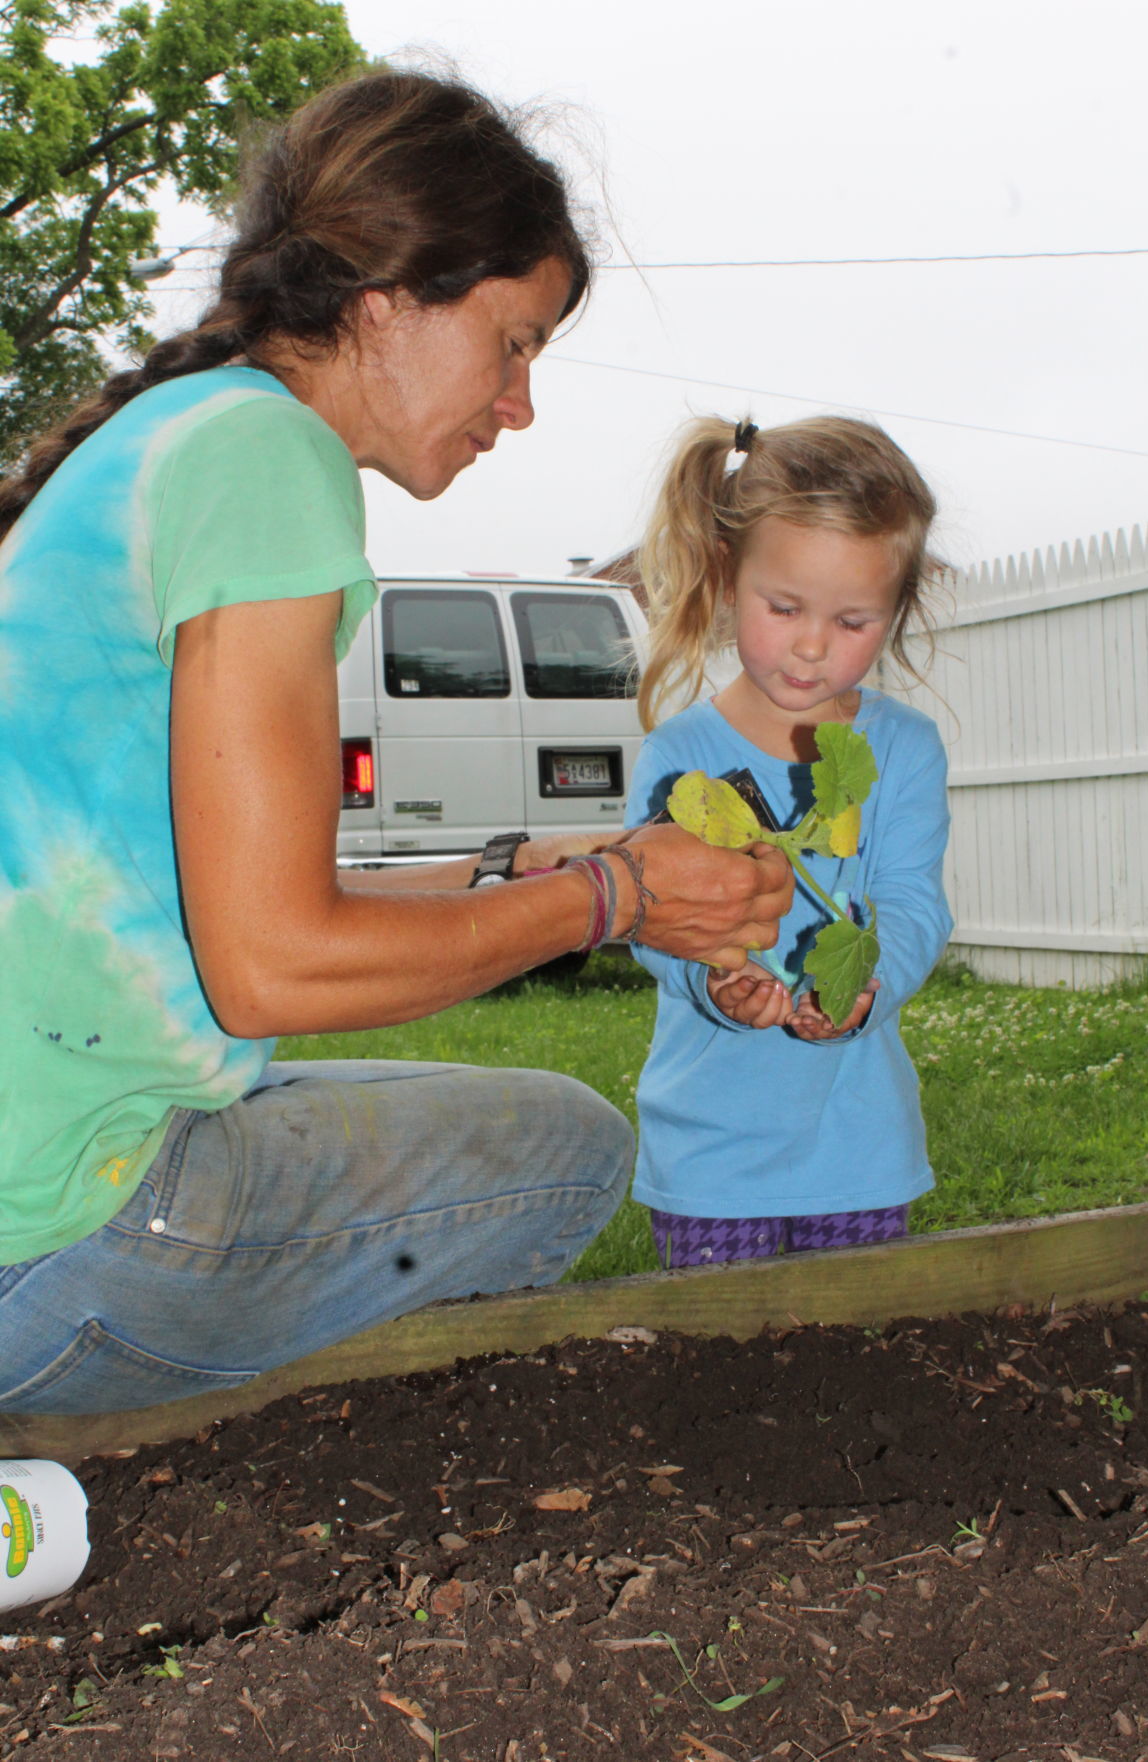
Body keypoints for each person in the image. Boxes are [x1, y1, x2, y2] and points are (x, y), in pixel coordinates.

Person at [0, 71, 794, 1415]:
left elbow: (231, 923)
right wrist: (614, 895)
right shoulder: (268, 461)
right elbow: (273, 965)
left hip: (34, 1182)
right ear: (384, 305)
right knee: (570, 1148)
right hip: (52, 1238)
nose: (520, 402)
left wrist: (556, 865)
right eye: (515, 341)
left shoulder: (178, 438)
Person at [625, 414, 954, 1269]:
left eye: (852, 621)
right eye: (785, 608)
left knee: (854, 1370)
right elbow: (652, 922)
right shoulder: (680, 758)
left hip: (859, 1148)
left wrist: (866, 988)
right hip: (710, 1152)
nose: (812, 645)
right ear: (729, 577)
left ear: (895, 612)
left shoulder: (904, 749)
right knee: (722, 1375)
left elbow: (913, 900)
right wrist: (714, 976)